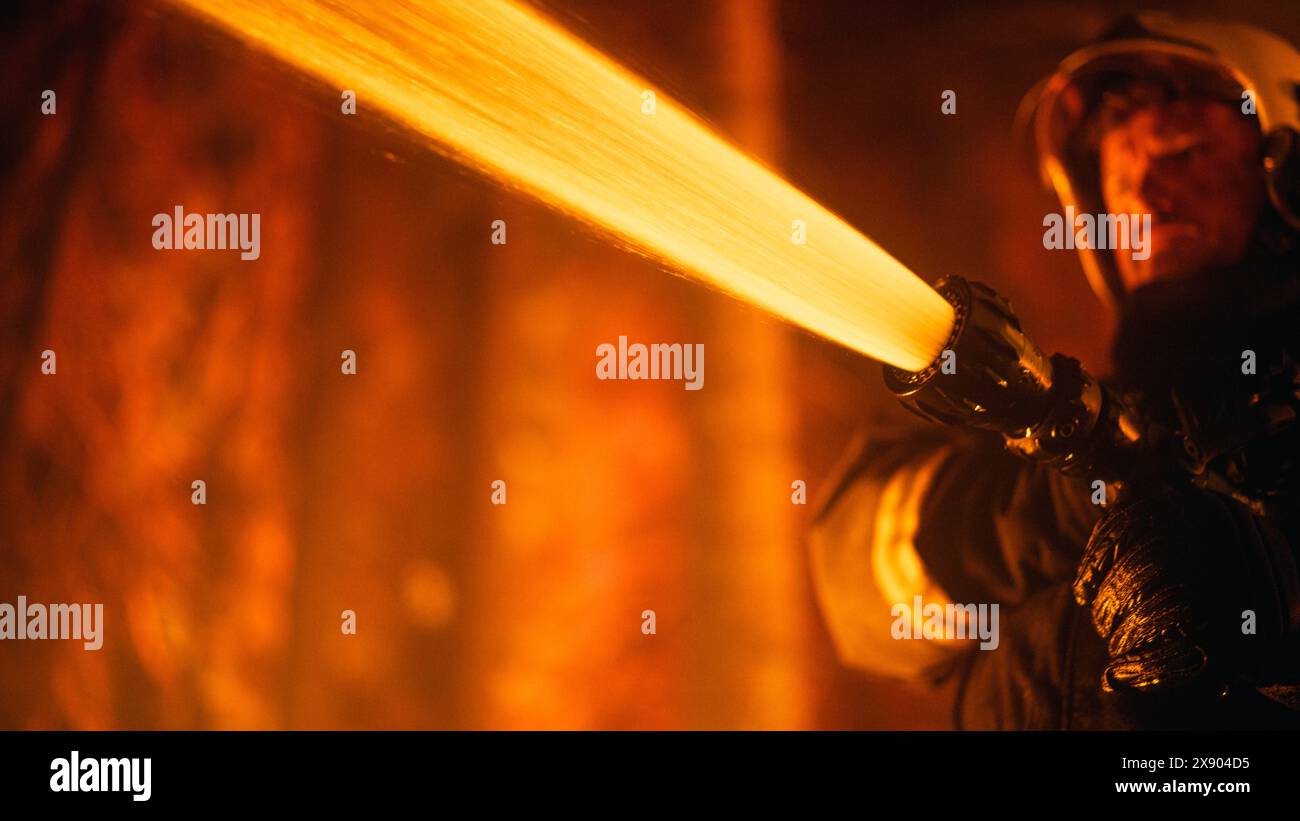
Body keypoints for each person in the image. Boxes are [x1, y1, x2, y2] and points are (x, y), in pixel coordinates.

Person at [809, 12, 1300, 729]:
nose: (1146, 199)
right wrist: (1061, 495)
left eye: (1186, 153)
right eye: (1122, 177)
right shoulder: (1068, 448)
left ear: (1286, 168)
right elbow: (856, 594)